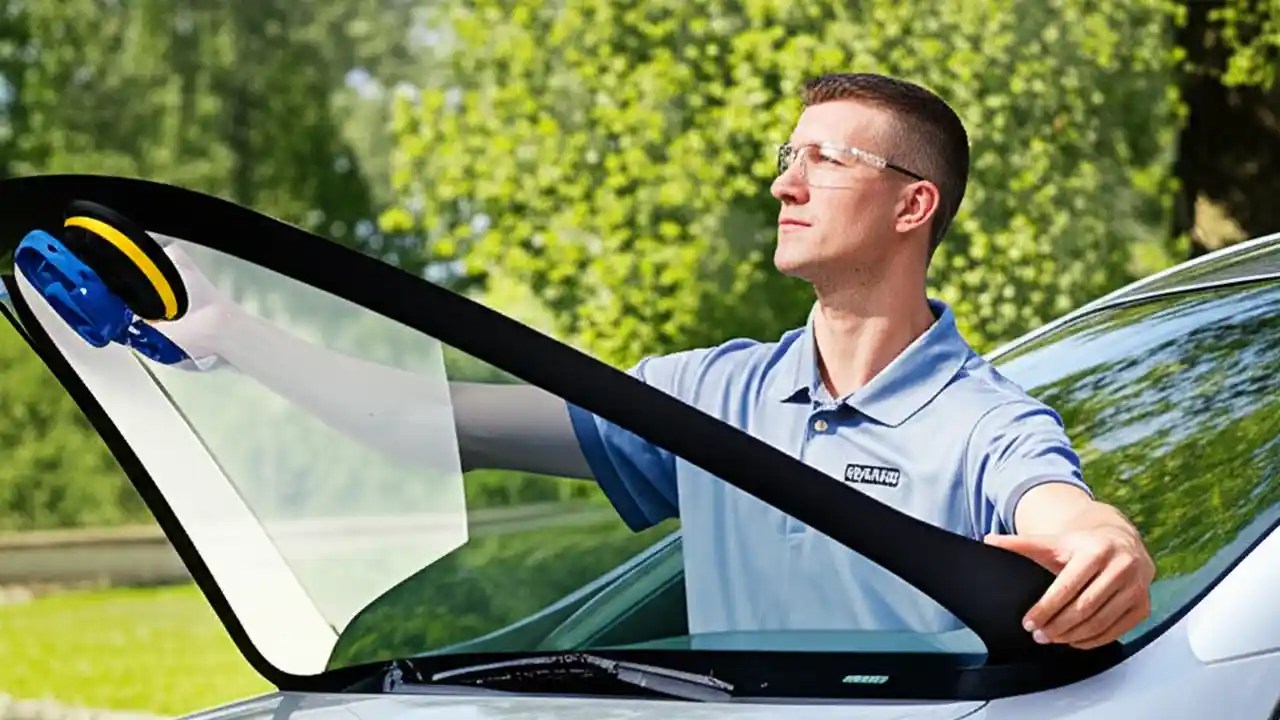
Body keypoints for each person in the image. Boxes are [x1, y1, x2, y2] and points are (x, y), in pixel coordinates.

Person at [149, 71, 1154, 651]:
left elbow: (1060, 510)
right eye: (784, 157)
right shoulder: (706, 395)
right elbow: (425, 425)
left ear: (911, 204)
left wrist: (1108, 544)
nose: (783, 185)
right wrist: (231, 333)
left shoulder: (982, 422)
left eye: (823, 160)